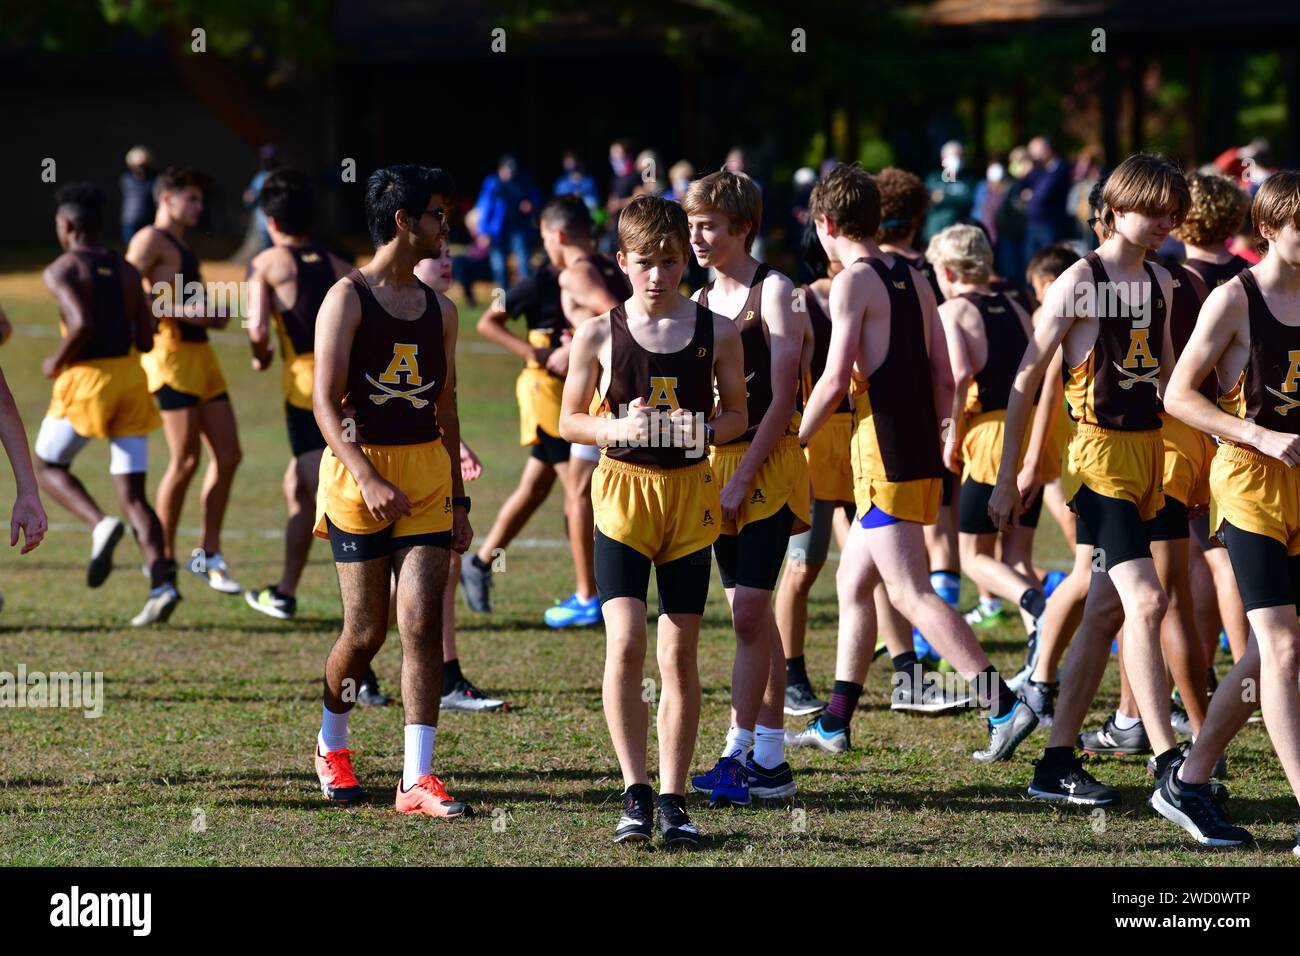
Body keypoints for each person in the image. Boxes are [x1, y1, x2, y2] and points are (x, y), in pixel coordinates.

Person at [792, 162, 1037, 761]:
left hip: (884, 452)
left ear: (826, 223)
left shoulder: (853, 280)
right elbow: (940, 372)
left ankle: (1004, 705)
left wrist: (788, 440)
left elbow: (830, 381)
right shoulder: (917, 274)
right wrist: (937, 435)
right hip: (917, 448)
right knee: (855, 583)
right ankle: (834, 723)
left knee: (909, 592)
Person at [989, 153, 1190, 803]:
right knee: (1149, 602)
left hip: (1153, 456)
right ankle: (1169, 763)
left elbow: (1167, 383)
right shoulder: (1079, 280)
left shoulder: (1161, 282)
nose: (1165, 221)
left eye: (1172, 212)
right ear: (1116, 208)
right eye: (1153, 209)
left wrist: (1224, 441)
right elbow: (1025, 380)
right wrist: (1005, 475)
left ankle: (1054, 764)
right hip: (1101, 462)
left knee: (1104, 611)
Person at [558, 194, 747, 845]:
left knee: (679, 651)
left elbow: (737, 418)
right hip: (622, 496)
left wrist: (695, 429)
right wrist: (619, 425)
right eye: (645, 263)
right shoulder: (597, 332)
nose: (659, 275)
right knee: (627, 640)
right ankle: (635, 791)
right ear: (621, 262)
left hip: (688, 498)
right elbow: (567, 420)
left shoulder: (715, 329)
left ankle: (674, 795)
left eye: (669, 262)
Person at [311, 164, 473, 818]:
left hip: (428, 477)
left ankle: (416, 778)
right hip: (359, 475)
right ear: (404, 221)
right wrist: (367, 476)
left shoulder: (442, 309)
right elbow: (323, 405)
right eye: (436, 214)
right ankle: (332, 744)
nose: (445, 226)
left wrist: (459, 500)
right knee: (367, 629)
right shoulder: (345, 298)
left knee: (421, 624)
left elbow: (450, 406)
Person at [1155, 170, 1300, 852]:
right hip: (1248, 483)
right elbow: (1179, 395)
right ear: (1268, 229)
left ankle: (1188, 778)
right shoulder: (1234, 298)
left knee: (1270, 658)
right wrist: (1257, 433)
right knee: (1282, 645)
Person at [683, 170, 809, 807]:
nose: (696, 237)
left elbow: (784, 398)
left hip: (765, 466)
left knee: (751, 613)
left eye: (708, 226)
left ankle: (741, 750)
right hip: (716, 466)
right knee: (751, 618)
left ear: (743, 227)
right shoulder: (701, 300)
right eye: (692, 224)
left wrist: (743, 478)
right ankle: (771, 757)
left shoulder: (777, 291)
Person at [461, 196, 628, 627]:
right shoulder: (548, 279)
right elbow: (489, 321)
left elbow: (619, 319)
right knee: (576, 493)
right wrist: (538, 353)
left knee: (542, 489)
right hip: (549, 395)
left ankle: (482, 564)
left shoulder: (593, 271)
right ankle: (589, 593)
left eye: (541, 237)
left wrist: (576, 348)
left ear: (556, 234)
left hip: (584, 397)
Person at [33, 182, 175, 626]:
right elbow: (147, 334)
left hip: (88, 382)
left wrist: (55, 360)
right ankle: (162, 584)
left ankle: (99, 524)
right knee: (134, 495)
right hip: (132, 378)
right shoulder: (126, 268)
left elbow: (81, 323)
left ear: (68, 226)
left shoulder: (61, 268)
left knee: (47, 466)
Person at [926, 224, 1050, 687]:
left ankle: (1039, 605)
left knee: (975, 554)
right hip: (1027, 431)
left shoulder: (953, 309)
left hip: (988, 437)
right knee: (1016, 553)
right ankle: (1042, 657)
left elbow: (958, 376)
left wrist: (950, 435)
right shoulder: (1017, 306)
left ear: (949, 269)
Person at [126, 166, 243, 595]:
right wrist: (187, 310)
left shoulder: (179, 243)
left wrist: (212, 308)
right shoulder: (149, 238)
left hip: (201, 357)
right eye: (191, 198)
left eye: (200, 199)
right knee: (185, 461)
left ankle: (207, 554)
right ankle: (162, 559)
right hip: (170, 356)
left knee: (229, 455)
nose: (199, 206)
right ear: (167, 198)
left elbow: (174, 295)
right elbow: (126, 286)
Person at [244, 168, 352, 621]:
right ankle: (285, 591)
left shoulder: (267, 264)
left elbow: (255, 329)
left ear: (270, 221)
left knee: (327, 493)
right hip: (347, 382)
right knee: (298, 487)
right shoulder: (340, 265)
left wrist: (262, 354)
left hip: (307, 389)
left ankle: (369, 594)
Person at [474, 155, 540, 289]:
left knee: (523, 264)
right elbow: (484, 207)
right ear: (500, 169)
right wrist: (483, 232)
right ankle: (503, 299)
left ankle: (526, 296)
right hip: (496, 232)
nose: (511, 173)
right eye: (508, 170)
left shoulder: (524, 182)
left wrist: (531, 206)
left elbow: (537, 202)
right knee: (499, 268)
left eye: (513, 170)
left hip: (519, 230)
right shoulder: (493, 183)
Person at [1021, 136, 1073, 259]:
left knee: (1050, 261)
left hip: (1050, 224)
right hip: (1033, 224)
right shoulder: (1037, 169)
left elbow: (1044, 193)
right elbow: (1021, 191)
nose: (1033, 155)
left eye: (1035, 151)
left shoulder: (1059, 168)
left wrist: (1032, 195)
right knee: (1032, 262)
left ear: (1047, 149)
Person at [923, 141, 975, 241]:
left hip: (960, 235)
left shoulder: (968, 180)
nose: (956, 159)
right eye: (953, 156)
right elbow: (928, 199)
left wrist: (944, 197)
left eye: (959, 156)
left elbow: (968, 199)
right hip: (935, 234)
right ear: (943, 158)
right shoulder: (934, 178)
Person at [119, 146, 156, 244]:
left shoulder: (153, 180)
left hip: (149, 219)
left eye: (144, 165)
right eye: (138, 165)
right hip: (131, 221)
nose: (141, 168)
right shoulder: (127, 179)